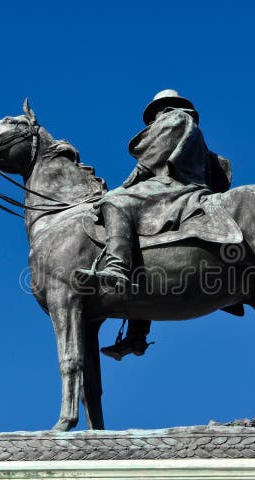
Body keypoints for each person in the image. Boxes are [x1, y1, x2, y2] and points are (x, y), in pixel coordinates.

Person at [75, 89, 233, 359]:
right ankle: (137, 336)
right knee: (143, 252)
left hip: (173, 187)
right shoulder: (193, 130)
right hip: (179, 186)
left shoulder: (175, 120)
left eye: (154, 113)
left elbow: (150, 162)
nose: (151, 120)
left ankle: (116, 268)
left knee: (114, 202)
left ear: (163, 108)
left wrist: (121, 187)